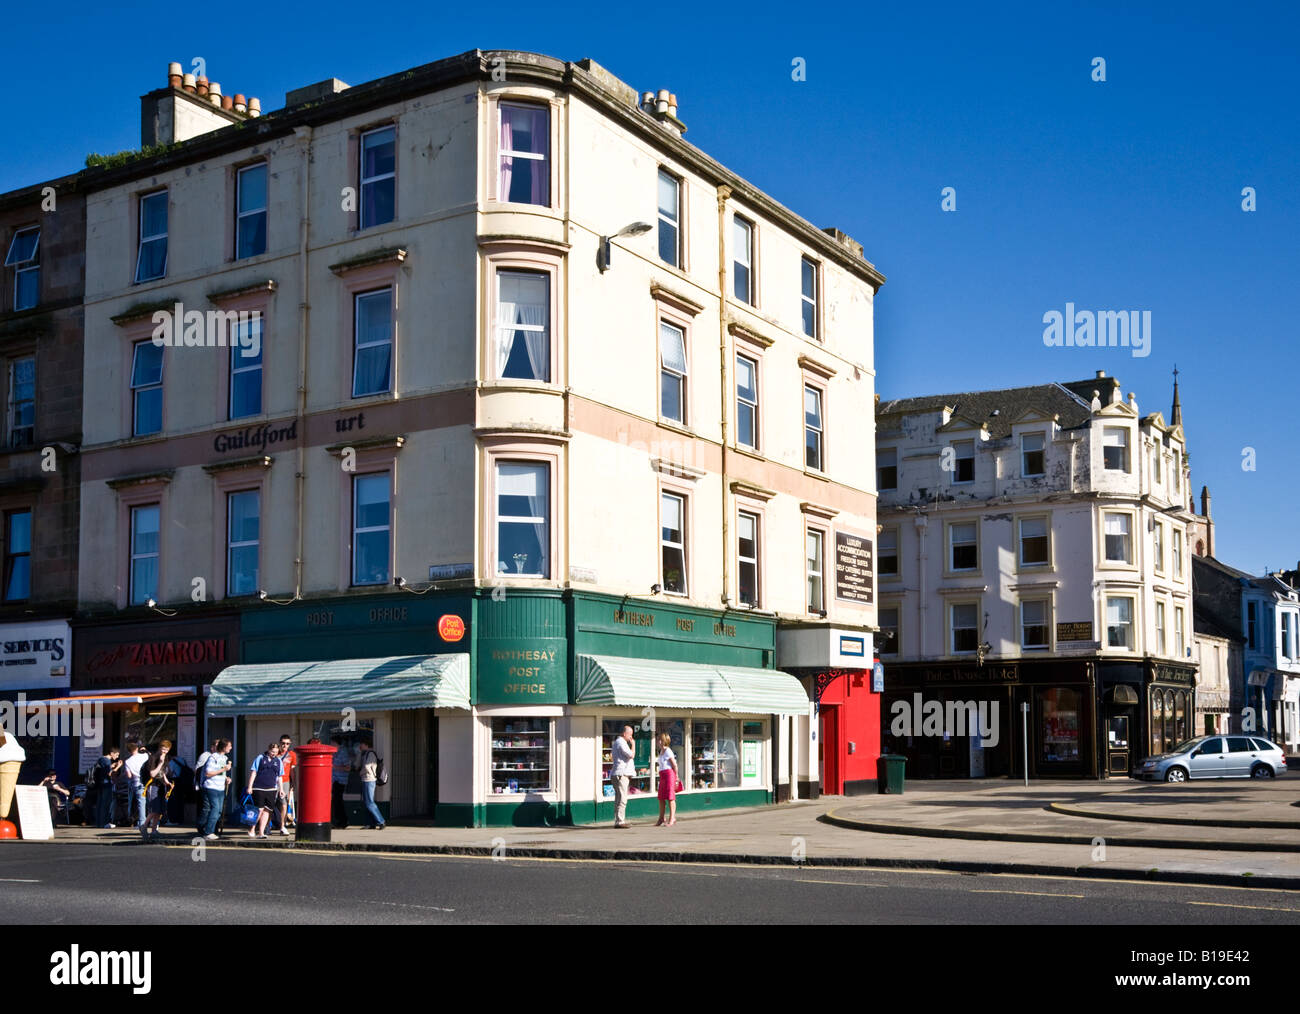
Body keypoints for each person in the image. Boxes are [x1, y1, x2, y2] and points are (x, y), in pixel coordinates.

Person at [245, 742, 282, 839]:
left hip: (272, 789)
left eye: (276, 752)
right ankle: (252, 828)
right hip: (259, 788)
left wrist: (281, 789)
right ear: (269, 750)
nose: (274, 753)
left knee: (267, 811)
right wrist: (250, 787)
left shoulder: (278, 761)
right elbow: (253, 772)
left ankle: (261, 832)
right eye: (272, 751)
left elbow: (279, 777)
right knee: (259, 810)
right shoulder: (260, 758)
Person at [197, 739, 231, 840]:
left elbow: (220, 772)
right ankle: (208, 832)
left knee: (219, 810)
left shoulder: (224, 758)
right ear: (224, 747)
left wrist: (226, 778)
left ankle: (203, 826)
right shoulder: (213, 758)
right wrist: (224, 769)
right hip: (211, 787)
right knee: (215, 809)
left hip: (220, 787)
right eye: (229, 746)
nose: (231, 748)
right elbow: (208, 773)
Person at [142, 740, 173, 840]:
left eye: (167, 750)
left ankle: (154, 830)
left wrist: (167, 782)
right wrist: (160, 763)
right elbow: (152, 774)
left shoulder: (165, 758)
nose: (164, 752)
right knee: (154, 809)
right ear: (159, 748)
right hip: (152, 785)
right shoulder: (153, 758)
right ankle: (144, 826)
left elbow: (162, 772)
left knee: (159, 810)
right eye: (163, 749)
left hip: (160, 786)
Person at [355, 737, 385, 830]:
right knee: (367, 802)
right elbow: (357, 765)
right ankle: (370, 823)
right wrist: (359, 754)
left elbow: (367, 767)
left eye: (362, 744)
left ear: (366, 745)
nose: (360, 746)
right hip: (366, 780)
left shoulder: (370, 754)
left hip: (369, 780)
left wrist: (360, 773)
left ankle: (381, 821)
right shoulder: (365, 754)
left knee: (369, 803)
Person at [122, 740, 150, 836]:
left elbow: (129, 776)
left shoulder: (127, 761)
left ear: (128, 751)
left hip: (137, 784)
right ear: (137, 748)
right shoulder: (144, 756)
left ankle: (142, 825)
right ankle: (155, 824)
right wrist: (145, 750)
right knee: (150, 804)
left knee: (140, 805)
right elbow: (152, 757)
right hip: (148, 783)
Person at [611, 725, 636, 828]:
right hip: (621, 774)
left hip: (619, 774)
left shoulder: (619, 742)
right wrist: (633, 744)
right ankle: (620, 821)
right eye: (630, 735)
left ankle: (618, 820)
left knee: (619, 798)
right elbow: (631, 755)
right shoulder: (621, 742)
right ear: (624, 733)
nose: (631, 737)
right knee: (622, 798)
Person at [274, 734, 297, 836]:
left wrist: (293, 782)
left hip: (285, 781)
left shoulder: (292, 754)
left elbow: (292, 770)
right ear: (280, 743)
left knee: (284, 804)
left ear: (290, 744)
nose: (285, 745)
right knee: (271, 805)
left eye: (287, 743)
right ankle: (267, 826)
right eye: (283, 743)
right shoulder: (274, 752)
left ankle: (282, 826)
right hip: (273, 781)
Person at [655, 731, 679, 827]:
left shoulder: (668, 751)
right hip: (662, 775)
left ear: (664, 741)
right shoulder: (661, 751)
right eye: (658, 740)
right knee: (661, 797)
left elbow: (674, 765)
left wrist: (676, 777)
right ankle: (661, 818)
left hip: (669, 774)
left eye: (660, 740)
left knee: (670, 797)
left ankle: (672, 818)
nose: (658, 741)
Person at [92, 747, 119, 828]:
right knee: (106, 804)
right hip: (106, 784)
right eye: (117, 755)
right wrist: (118, 767)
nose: (117, 757)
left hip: (100, 784)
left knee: (100, 803)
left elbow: (104, 770)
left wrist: (111, 766)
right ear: (111, 753)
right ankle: (104, 823)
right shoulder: (107, 760)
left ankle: (99, 823)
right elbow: (109, 774)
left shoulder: (101, 759)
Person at [330, 735, 351, 829]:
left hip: (340, 780)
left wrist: (335, 767)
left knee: (338, 801)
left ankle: (343, 821)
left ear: (337, 743)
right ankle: (338, 821)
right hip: (334, 780)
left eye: (332, 743)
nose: (331, 744)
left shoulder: (343, 753)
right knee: (335, 801)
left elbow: (348, 767)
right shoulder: (334, 753)